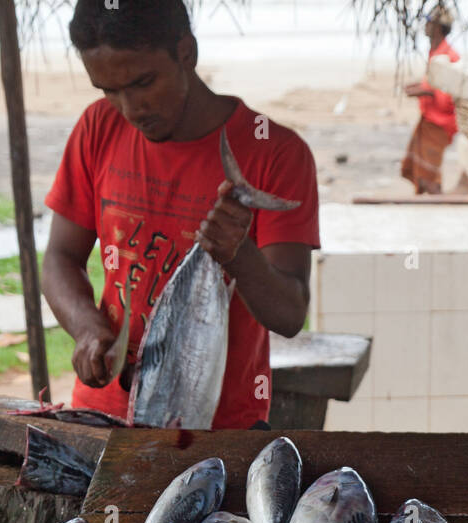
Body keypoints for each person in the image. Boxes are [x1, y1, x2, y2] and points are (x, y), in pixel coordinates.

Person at [42, 0, 320, 429]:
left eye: (143, 82)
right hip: (102, 419)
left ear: (186, 53)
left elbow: (288, 317)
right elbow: (60, 257)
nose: (130, 108)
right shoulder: (98, 128)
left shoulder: (275, 154)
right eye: (109, 91)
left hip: (214, 431)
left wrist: (238, 254)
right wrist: (86, 328)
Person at [402, 5, 460, 196]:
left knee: (429, 175)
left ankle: (439, 206)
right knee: (421, 171)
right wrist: (419, 87)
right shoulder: (436, 52)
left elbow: (446, 98)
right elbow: (433, 85)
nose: (425, 27)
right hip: (429, 118)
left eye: (428, 23)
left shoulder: (448, 56)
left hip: (440, 122)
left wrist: (423, 92)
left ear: (437, 27)